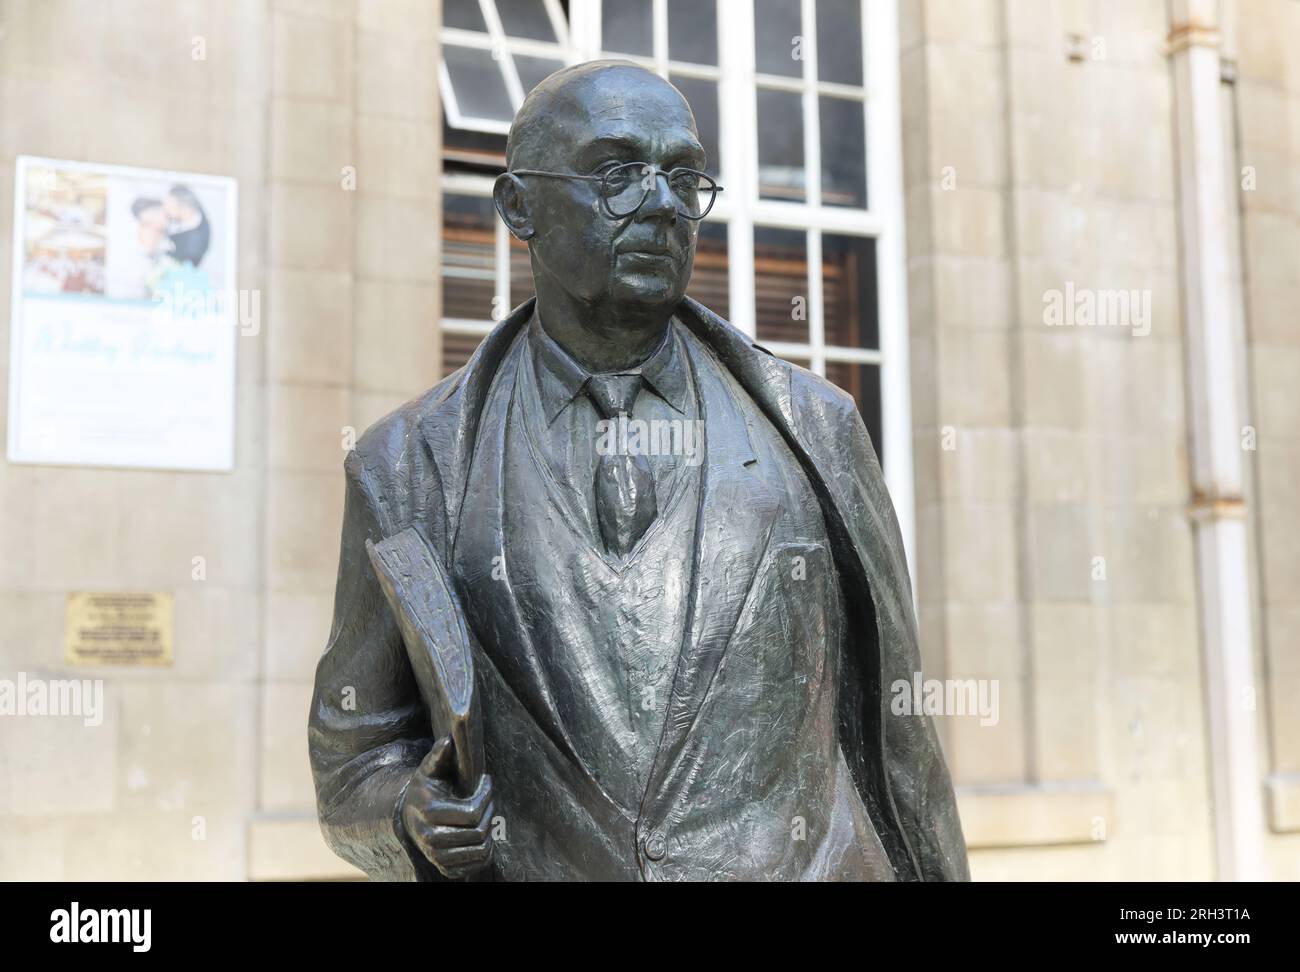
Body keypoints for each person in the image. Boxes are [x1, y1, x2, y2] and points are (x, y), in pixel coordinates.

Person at [308, 61, 968, 881]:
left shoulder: (816, 429)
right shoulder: (405, 465)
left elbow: (900, 747)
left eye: (684, 178)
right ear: (519, 207)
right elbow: (354, 758)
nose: (660, 203)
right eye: (618, 173)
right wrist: (407, 814)